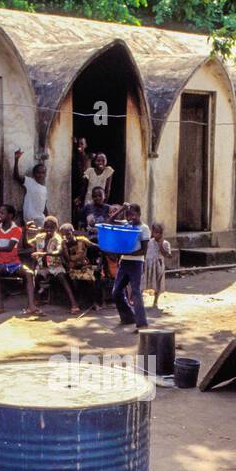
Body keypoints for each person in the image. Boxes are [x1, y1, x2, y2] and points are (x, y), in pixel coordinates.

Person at [0, 204, 32, 315]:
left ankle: (31, 305)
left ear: (10, 215)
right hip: (0, 263)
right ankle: (0, 305)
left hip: (14, 263)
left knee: (29, 273)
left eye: (2, 213)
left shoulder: (17, 230)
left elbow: (9, 248)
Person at [111, 202, 151, 330]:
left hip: (136, 263)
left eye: (133, 215)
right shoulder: (126, 224)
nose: (130, 218)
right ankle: (127, 316)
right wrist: (122, 209)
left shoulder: (144, 229)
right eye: (128, 215)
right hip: (124, 262)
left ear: (139, 214)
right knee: (116, 291)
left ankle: (142, 323)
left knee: (135, 292)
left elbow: (143, 251)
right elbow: (111, 221)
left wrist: (127, 252)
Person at [30, 215, 79, 313]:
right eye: (47, 227)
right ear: (44, 227)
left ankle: (73, 303)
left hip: (55, 266)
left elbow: (58, 252)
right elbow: (29, 245)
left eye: (52, 228)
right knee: (36, 277)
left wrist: (43, 253)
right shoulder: (39, 237)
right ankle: (35, 300)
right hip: (42, 266)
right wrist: (26, 231)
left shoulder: (58, 239)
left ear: (56, 228)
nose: (49, 230)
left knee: (62, 277)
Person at [59, 223, 101, 308]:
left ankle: (94, 302)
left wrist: (104, 247)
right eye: (63, 235)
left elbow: (93, 245)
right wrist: (67, 266)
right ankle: (78, 301)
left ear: (73, 232)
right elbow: (62, 257)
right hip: (72, 268)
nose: (66, 237)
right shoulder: (63, 244)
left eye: (68, 234)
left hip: (84, 266)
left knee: (91, 280)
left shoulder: (81, 240)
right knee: (75, 281)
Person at [13, 148, 49, 228]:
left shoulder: (44, 188)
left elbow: (44, 204)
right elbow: (16, 176)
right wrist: (16, 160)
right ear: (34, 173)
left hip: (40, 219)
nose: (40, 175)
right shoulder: (29, 182)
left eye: (43, 173)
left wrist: (48, 218)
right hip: (30, 218)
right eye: (38, 173)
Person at [76, 137, 114, 206]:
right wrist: (80, 198)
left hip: (101, 199)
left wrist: (104, 202)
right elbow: (84, 187)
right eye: (98, 161)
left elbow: (108, 189)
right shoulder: (89, 171)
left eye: (103, 160)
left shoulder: (108, 171)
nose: (101, 163)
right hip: (89, 198)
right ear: (94, 162)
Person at [144, 221, 173, 309]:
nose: (157, 235)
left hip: (158, 266)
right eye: (155, 232)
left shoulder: (165, 243)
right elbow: (144, 252)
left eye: (160, 233)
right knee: (143, 281)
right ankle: (140, 300)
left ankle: (155, 300)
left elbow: (168, 255)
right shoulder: (148, 242)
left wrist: (160, 246)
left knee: (158, 283)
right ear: (152, 232)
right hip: (148, 265)